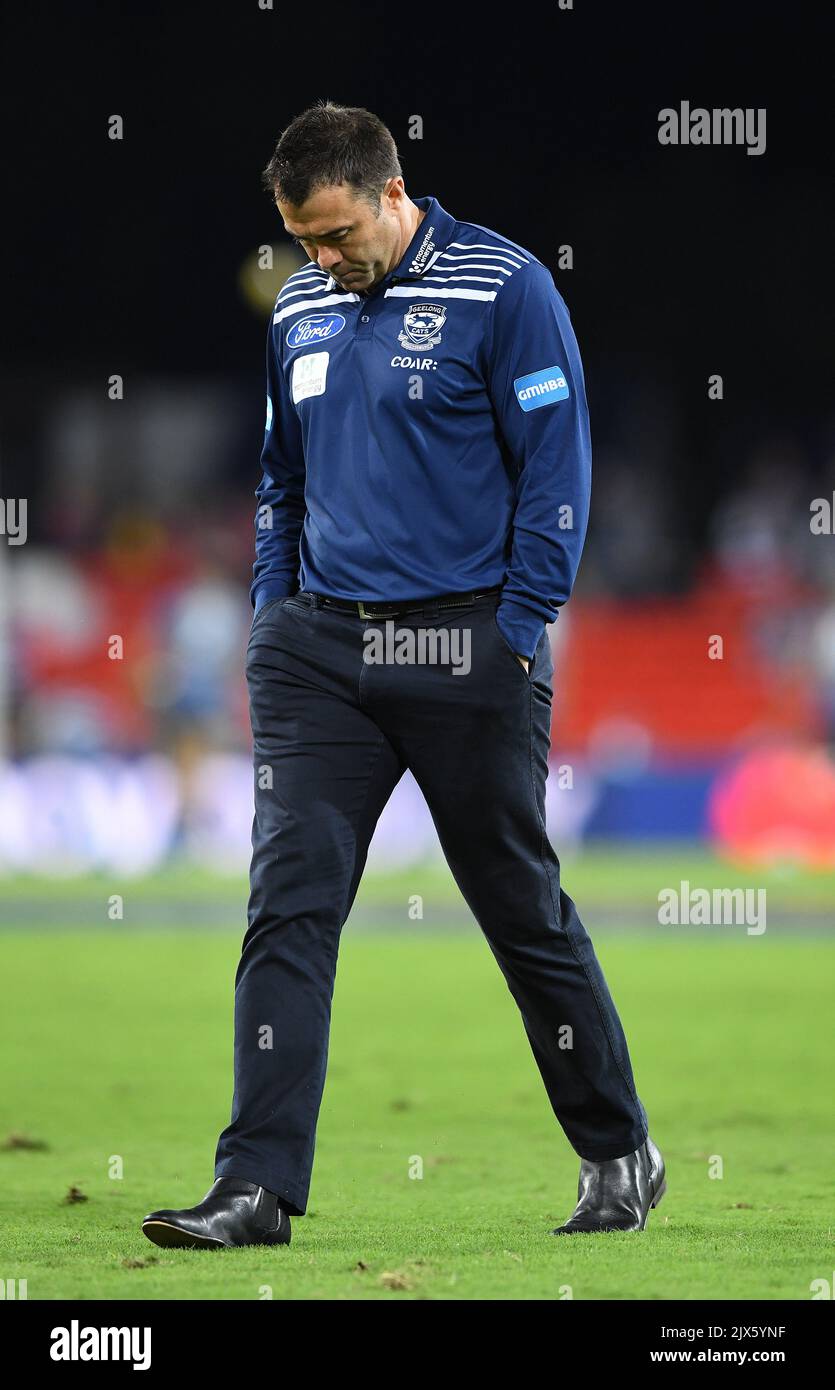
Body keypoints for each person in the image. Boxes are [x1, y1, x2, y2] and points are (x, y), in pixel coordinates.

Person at [141, 101, 665, 1251]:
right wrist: (274, 611)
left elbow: (557, 469)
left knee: (516, 905)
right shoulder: (298, 307)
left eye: (334, 234)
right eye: (301, 240)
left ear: (390, 192)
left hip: (464, 640)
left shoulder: (505, 286)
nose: (321, 260)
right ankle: (256, 1189)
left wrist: (521, 624)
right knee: (286, 908)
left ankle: (616, 1148)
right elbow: (280, 476)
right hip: (320, 652)